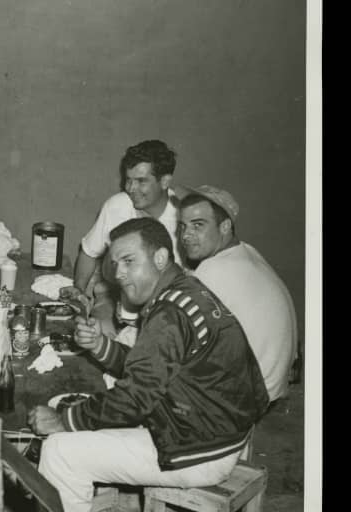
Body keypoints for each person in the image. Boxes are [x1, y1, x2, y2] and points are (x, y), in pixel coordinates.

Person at [28, 218, 269, 512]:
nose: (119, 274)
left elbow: (134, 399)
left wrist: (63, 419)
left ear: (160, 258)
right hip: (220, 428)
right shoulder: (185, 290)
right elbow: (157, 370)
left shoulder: (168, 313)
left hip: (200, 449)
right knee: (96, 410)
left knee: (59, 452)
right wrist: (102, 346)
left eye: (129, 261)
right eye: (115, 264)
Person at [178, 185, 298, 402]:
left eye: (198, 225)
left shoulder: (213, 269)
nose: (186, 235)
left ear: (225, 227)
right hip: (274, 389)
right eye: (183, 226)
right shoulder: (248, 252)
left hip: (249, 402)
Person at [60, 140, 186, 339]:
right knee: (97, 335)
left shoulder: (183, 219)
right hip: (112, 296)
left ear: (165, 181)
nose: (131, 188)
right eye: (128, 179)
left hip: (161, 309)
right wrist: (79, 292)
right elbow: (89, 252)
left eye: (141, 181)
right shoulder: (117, 205)